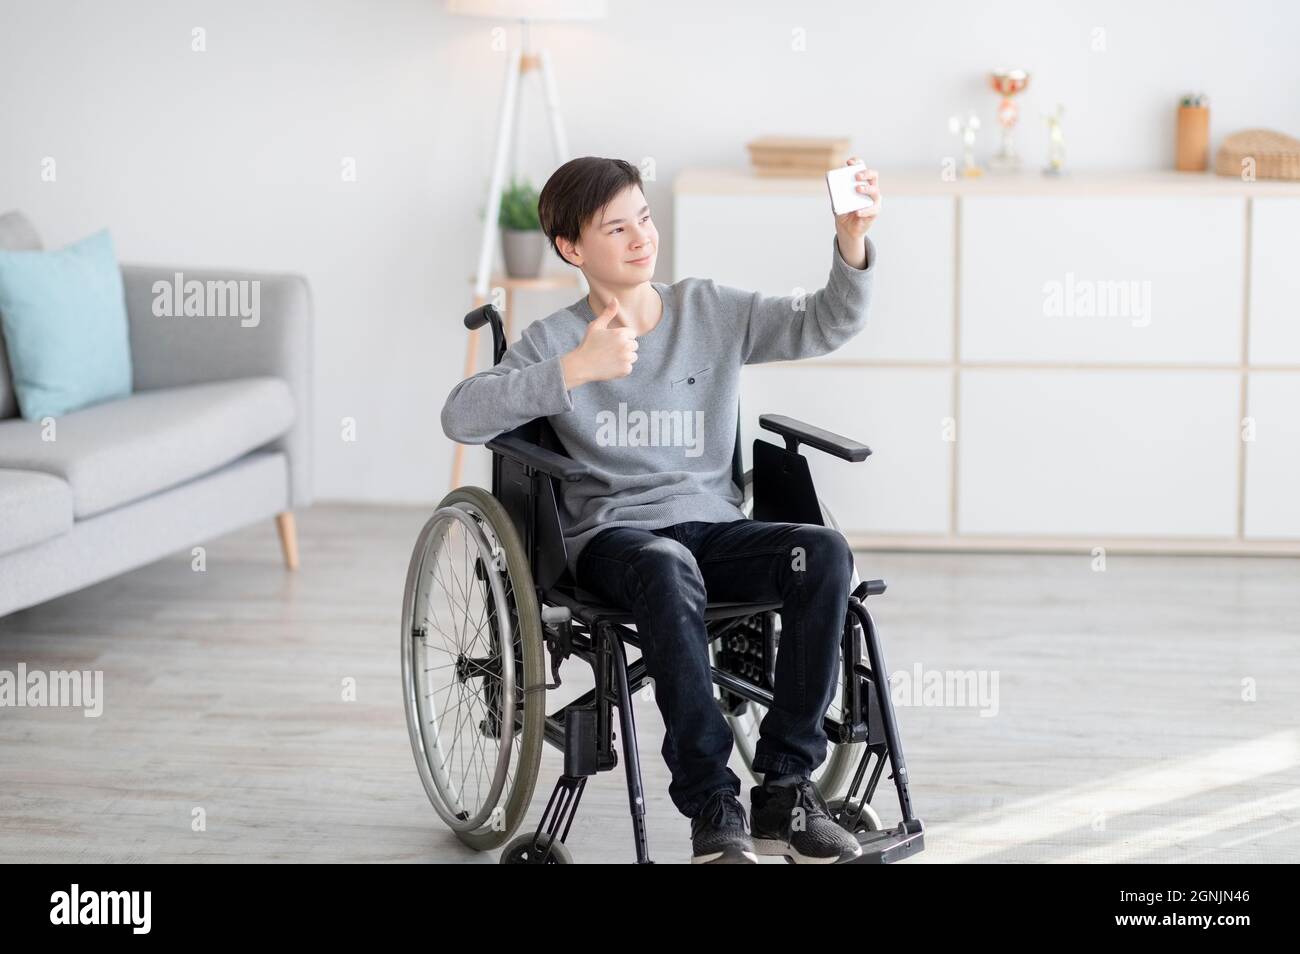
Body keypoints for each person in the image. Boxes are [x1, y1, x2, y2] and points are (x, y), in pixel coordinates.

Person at [441, 155, 881, 863]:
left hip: (713, 527)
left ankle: (785, 793)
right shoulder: (556, 340)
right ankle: (713, 805)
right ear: (573, 249)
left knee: (822, 553)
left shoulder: (711, 310)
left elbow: (824, 324)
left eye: (643, 217)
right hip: (617, 543)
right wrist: (574, 372)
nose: (641, 237)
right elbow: (461, 415)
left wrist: (852, 239)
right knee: (665, 561)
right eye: (617, 227)